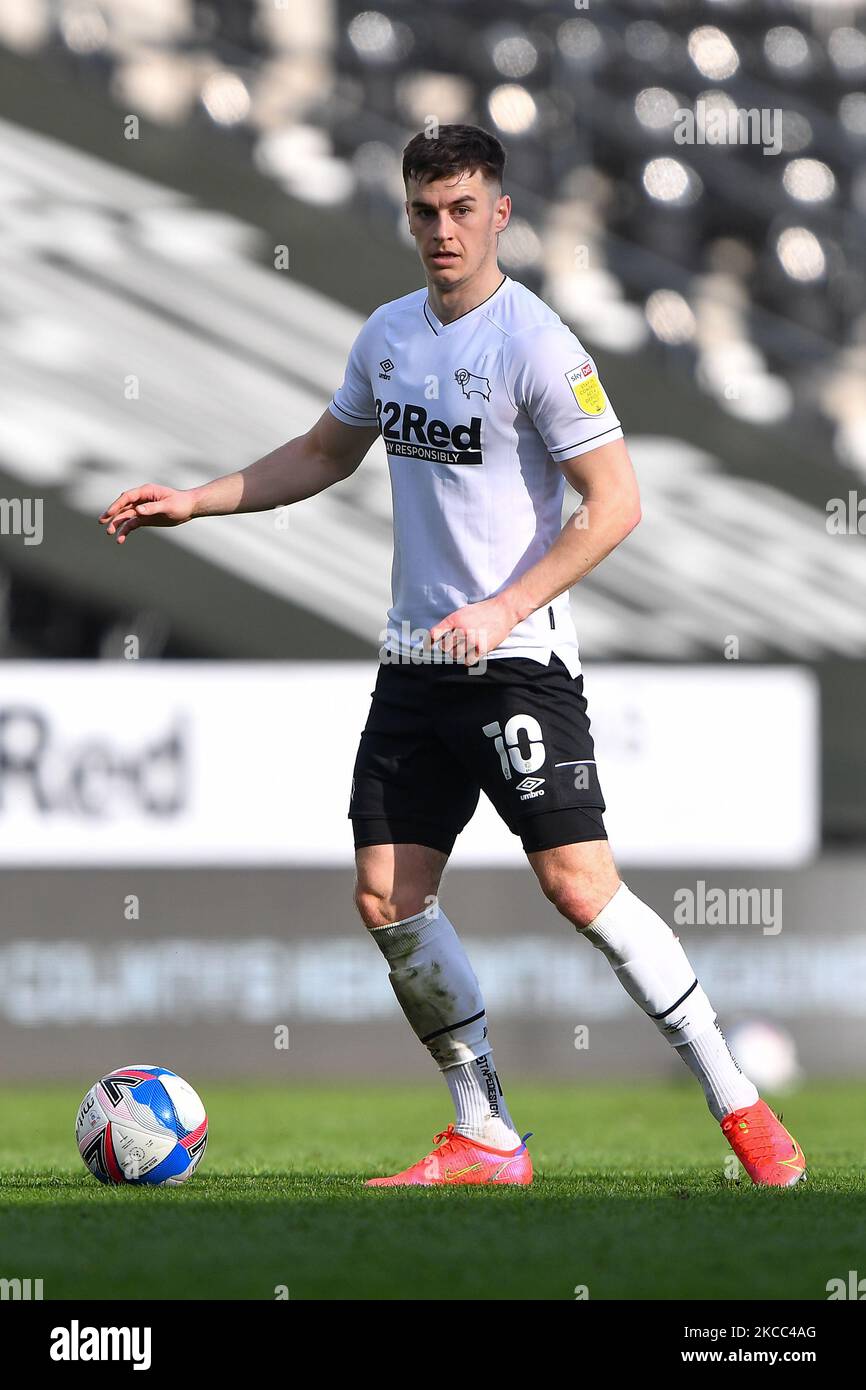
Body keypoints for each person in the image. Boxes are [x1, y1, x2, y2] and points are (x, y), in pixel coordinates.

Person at [99, 123, 806, 1190]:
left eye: (461, 209)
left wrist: (502, 606)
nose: (441, 229)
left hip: (515, 661)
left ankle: (742, 1108)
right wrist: (197, 499)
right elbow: (324, 453)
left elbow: (614, 503)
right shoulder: (387, 335)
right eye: (425, 210)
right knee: (386, 895)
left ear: (498, 215)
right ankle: (485, 1131)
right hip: (411, 671)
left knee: (578, 886)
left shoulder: (536, 344)